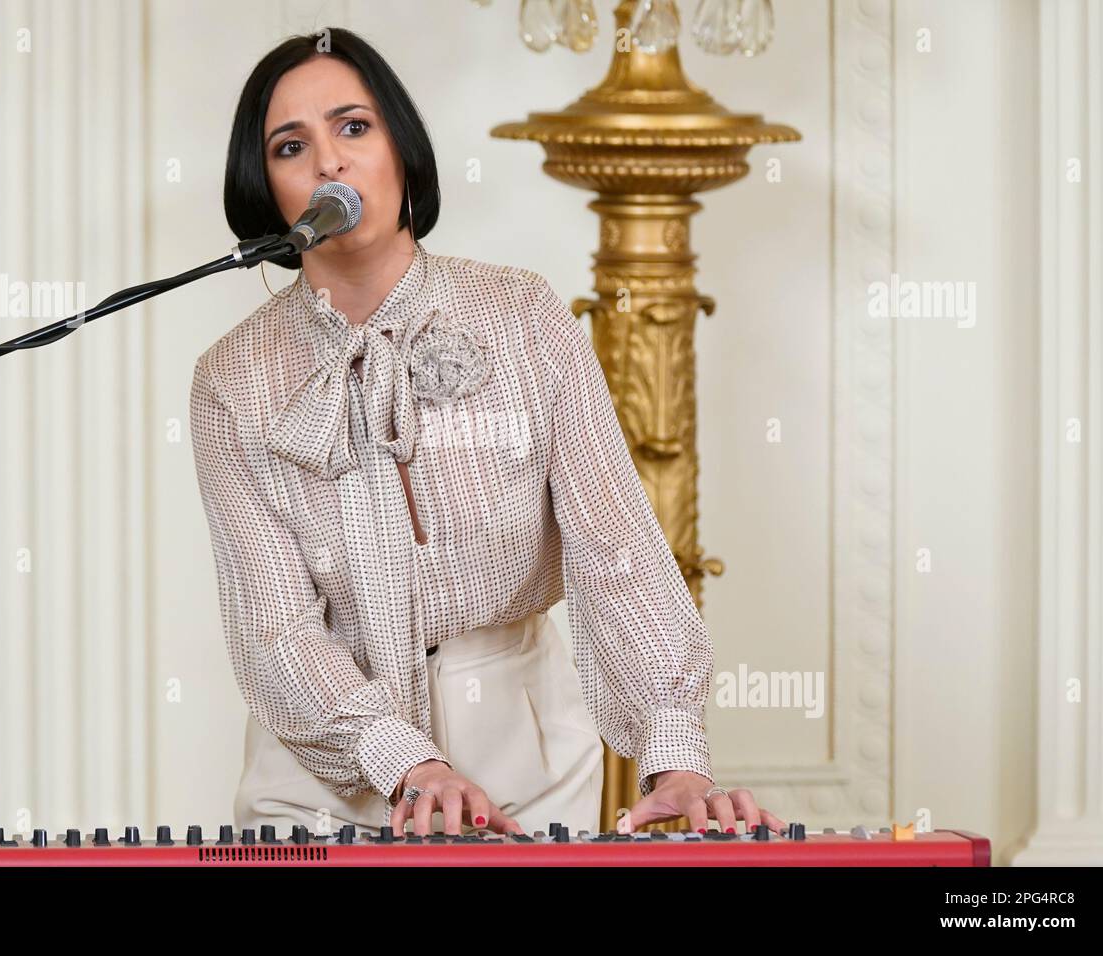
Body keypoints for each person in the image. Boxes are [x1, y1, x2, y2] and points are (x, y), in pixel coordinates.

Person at [190, 26, 787, 840]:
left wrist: (675, 755)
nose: (329, 161)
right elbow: (274, 629)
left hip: (527, 766)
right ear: (267, 188)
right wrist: (406, 762)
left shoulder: (522, 315)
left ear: (402, 148)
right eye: (292, 146)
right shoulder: (230, 379)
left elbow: (616, 549)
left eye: (353, 127)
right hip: (318, 782)